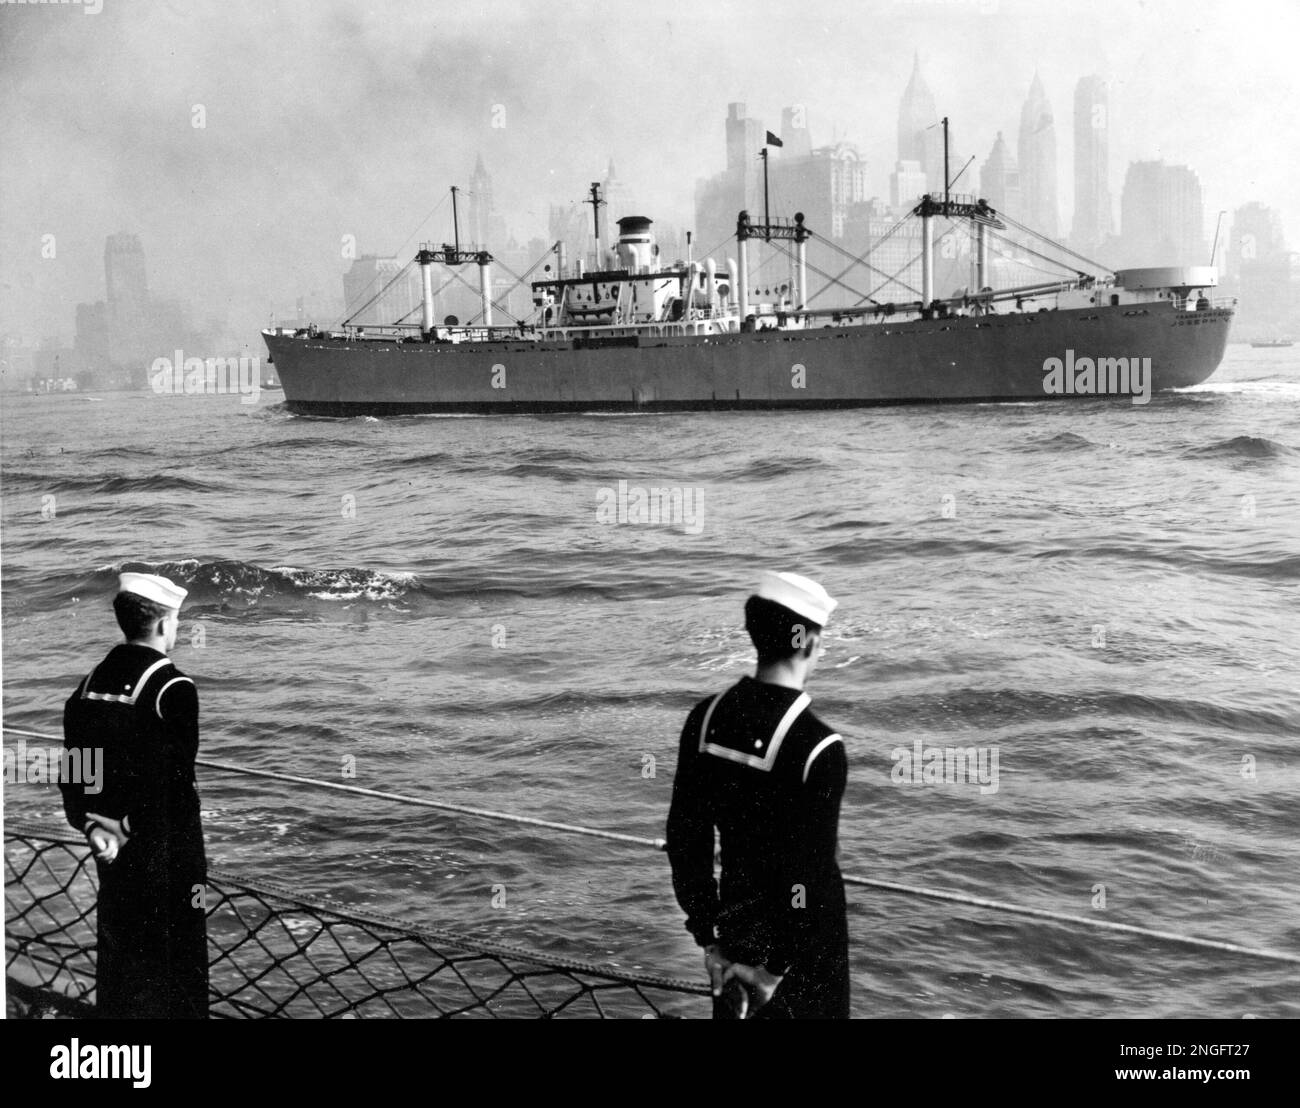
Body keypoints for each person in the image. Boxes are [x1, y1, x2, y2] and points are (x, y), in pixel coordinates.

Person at [666, 571, 849, 1019]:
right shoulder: (819, 747)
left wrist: (707, 935)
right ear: (806, 641)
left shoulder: (705, 720)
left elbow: (685, 839)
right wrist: (775, 968)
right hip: (801, 954)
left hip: (733, 933)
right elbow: (809, 876)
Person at [60, 572, 208, 1019]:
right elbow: (174, 784)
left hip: (109, 853)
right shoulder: (172, 688)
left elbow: (75, 769)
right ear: (163, 624)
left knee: (122, 964)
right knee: (178, 968)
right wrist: (128, 827)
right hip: (166, 854)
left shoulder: (87, 685)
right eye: (176, 622)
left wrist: (92, 826)